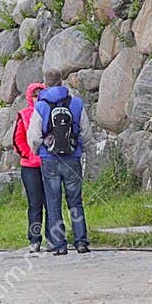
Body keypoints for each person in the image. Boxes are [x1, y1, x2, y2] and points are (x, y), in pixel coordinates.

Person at [25, 70, 89, 255]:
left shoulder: (41, 106)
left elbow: (34, 136)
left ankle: (59, 244)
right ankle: (81, 241)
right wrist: (79, 148)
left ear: (46, 83)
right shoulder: (76, 103)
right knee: (75, 201)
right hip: (72, 157)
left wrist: (40, 151)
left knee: (53, 202)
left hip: (49, 159)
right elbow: (86, 132)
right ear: (62, 82)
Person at [12, 81, 47, 252]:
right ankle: (34, 238)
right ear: (29, 96)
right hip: (30, 166)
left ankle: (54, 237)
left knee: (51, 202)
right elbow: (18, 139)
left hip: (48, 164)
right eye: (34, 94)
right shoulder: (24, 114)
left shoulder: (47, 111)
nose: (37, 97)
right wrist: (28, 154)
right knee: (35, 204)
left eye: (40, 94)